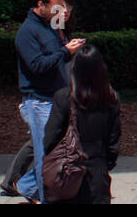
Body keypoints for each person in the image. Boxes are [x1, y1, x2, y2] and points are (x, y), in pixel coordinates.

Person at [14, 0, 85, 203]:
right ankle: (42, 196)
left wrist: (69, 47)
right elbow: (38, 66)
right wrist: (65, 52)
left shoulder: (51, 24)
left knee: (61, 152)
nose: (60, 12)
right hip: (39, 102)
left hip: (58, 98)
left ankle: (26, 185)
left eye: (62, 7)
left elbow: (59, 49)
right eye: (55, 7)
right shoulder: (26, 33)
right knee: (46, 158)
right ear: (40, 5)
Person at [42, 44, 121, 204]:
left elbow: (50, 138)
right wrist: (106, 162)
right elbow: (114, 140)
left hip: (68, 172)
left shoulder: (64, 97)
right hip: (98, 170)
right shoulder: (111, 98)